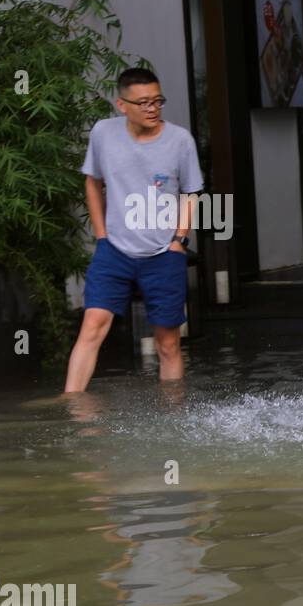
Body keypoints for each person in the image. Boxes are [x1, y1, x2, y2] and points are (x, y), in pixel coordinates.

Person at [64, 68, 203, 392]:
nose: (152, 108)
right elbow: (92, 180)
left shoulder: (180, 141)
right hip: (114, 251)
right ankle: (70, 409)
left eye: (158, 101)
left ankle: (173, 416)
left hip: (163, 253)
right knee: (92, 327)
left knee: (168, 342)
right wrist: (101, 235)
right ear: (122, 104)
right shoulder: (103, 133)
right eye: (143, 103)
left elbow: (191, 192)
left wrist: (179, 240)